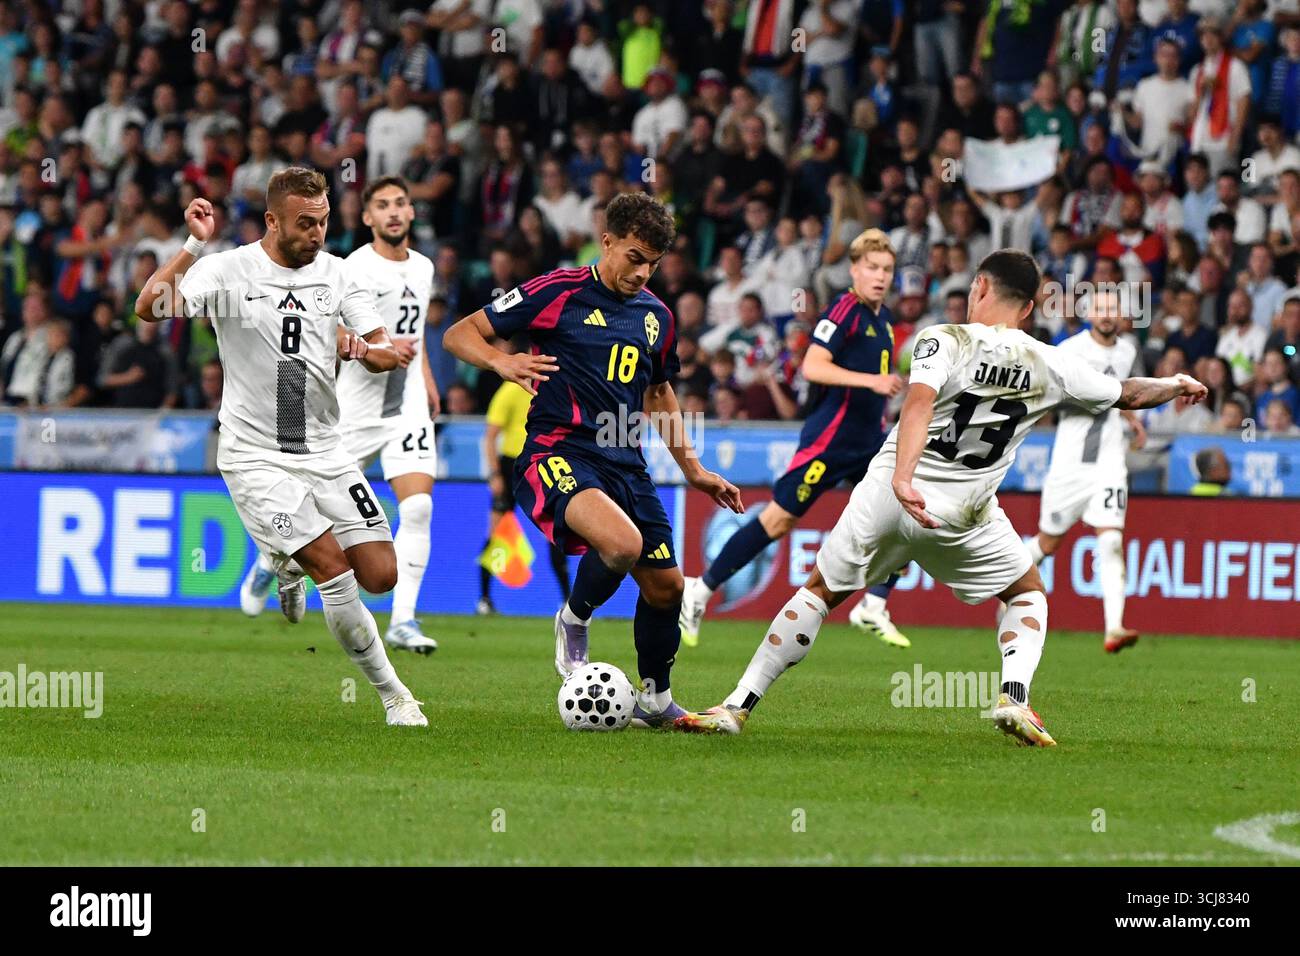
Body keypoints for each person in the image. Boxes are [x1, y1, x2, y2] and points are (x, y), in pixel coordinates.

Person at [682, 250, 1208, 742]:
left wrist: (905, 478)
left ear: (978, 286)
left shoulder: (944, 339)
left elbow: (918, 403)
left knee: (819, 591)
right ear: (1028, 308)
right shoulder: (1051, 361)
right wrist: (1178, 381)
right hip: (965, 515)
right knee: (1026, 591)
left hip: (891, 493)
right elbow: (1132, 394)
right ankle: (1014, 698)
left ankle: (736, 705)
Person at [133, 167, 427, 728]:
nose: (317, 234)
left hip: (324, 449)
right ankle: (395, 695)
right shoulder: (227, 269)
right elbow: (150, 308)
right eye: (304, 224)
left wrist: (361, 348)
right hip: (254, 455)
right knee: (334, 571)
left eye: (322, 222)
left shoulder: (339, 276)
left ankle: (278, 560)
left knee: (382, 574)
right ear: (271, 220)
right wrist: (193, 245)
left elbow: (389, 351)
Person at [444, 192, 743, 729]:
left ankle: (654, 699)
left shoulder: (657, 317)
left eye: (653, 262)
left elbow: (657, 394)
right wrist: (500, 360)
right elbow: (458, 333)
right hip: (556, 451)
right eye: (634, 257)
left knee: (668, 587)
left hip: (626, 462)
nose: (643, 272)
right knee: (622, 544)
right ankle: (573, 617)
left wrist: (694, 470)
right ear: (606, 241)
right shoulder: (556, 291)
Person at [679, 228, 909, 648]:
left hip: (867, 443)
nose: (879, 276)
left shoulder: (883, 320)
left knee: (904, 507)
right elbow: (814, 368)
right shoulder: (844, 311)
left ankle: (874, 604)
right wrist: (873, 382)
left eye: (887, 269)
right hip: (830, 441)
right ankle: (701, 588)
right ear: (855, 269)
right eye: (872, 267)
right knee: (779, 520)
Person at [239, 177, 440, 654]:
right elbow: (323, 330)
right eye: (381, 206)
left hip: (406, 405)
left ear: (411, 213)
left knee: (418, 507)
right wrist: (373, 346)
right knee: (306, 503)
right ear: (366, 218)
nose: (393, 212)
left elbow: (415, 338)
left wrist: (427, 380)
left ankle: (404, 620)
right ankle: (274, 558)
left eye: (400, 204)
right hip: (353, 407)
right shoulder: (351, 268)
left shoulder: (425, 268)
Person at [1025, 289, 1145, 654]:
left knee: (1110, 540)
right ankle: (1005, 587)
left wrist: (1132, 420)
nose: (1107, 315)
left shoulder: (1127, 351)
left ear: (1121, 314)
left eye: (1113, 308)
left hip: (1110, 462)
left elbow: (1120, 392)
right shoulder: (1070, 351)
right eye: (1101, 309)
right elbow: (1049, 394)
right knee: (1048, 542)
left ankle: (1114, 627)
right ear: (1089, 313)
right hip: (1069, 464)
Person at [480, 367, 572, 615]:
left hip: (543, 465)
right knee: (498, 532)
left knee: (554, 534)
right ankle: (485, 599)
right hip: (511, 466)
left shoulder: (554, 391)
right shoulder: (510, 390)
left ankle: (568, 601)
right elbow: (489, 437)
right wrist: (494, 474)